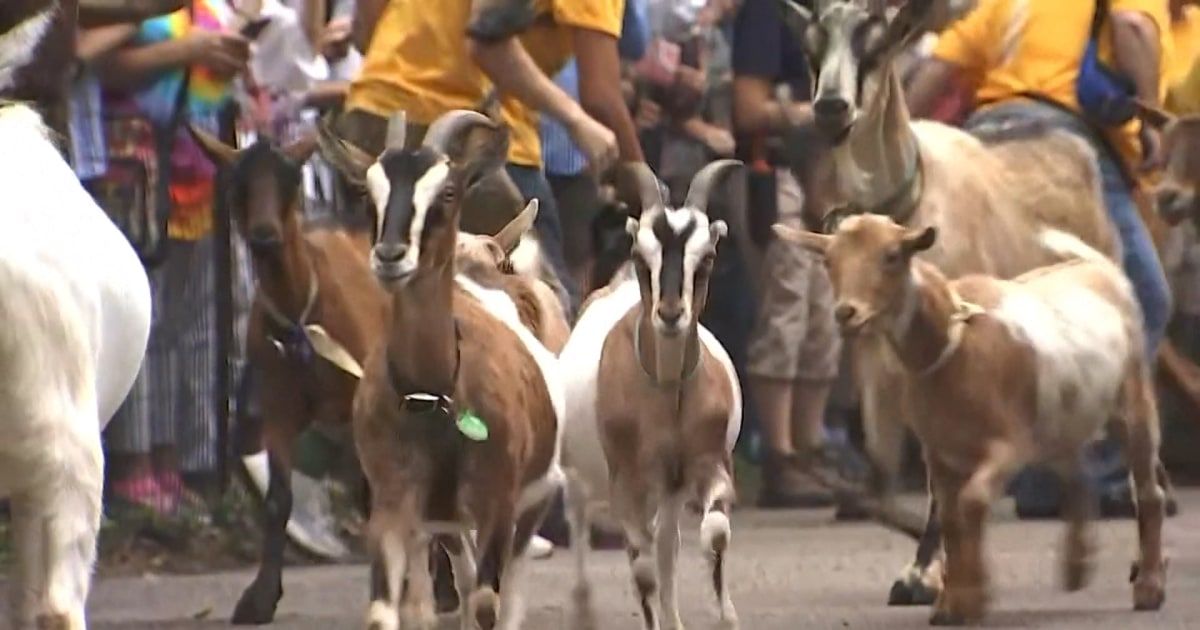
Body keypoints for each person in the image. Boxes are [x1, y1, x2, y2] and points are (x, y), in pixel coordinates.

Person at [906, 0, 1175, 518]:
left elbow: (937, 67)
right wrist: (1151, 119)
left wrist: (901, 141)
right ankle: (1091, 475)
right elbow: (1132, 26)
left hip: (985, 147)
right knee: (1142, 299)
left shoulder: (1006, 4)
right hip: (1062, 144)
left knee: (1023, 313)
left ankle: (1025, 471)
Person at [340, 0, 646, 315]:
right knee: (549, 304)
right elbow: (488, 42)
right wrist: (644, 190)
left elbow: (365, 25)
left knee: (373, 305)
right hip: (447, 126)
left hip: (369, 109)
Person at [94, 0, 250, 515]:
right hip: (136, 169)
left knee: (186, 325)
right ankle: (134, 464)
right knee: (144, 318)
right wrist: (188, 49)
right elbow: (97, 62)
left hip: (196, 174)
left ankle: (175, 458)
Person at [731, 0, 871, 511]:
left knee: (824, 316)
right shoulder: (768, 11)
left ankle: (809, 447)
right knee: (786, 311)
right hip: (775, 170)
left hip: (823, 174)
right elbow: (748, 109)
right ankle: (779, 454)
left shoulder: (835, 13)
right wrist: (821, 111)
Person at [541, 0, 651, 294]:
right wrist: (643, 184)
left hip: (569, 148)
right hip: (537, 142)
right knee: (557, 292)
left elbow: (634, 43)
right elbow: (600, 95)